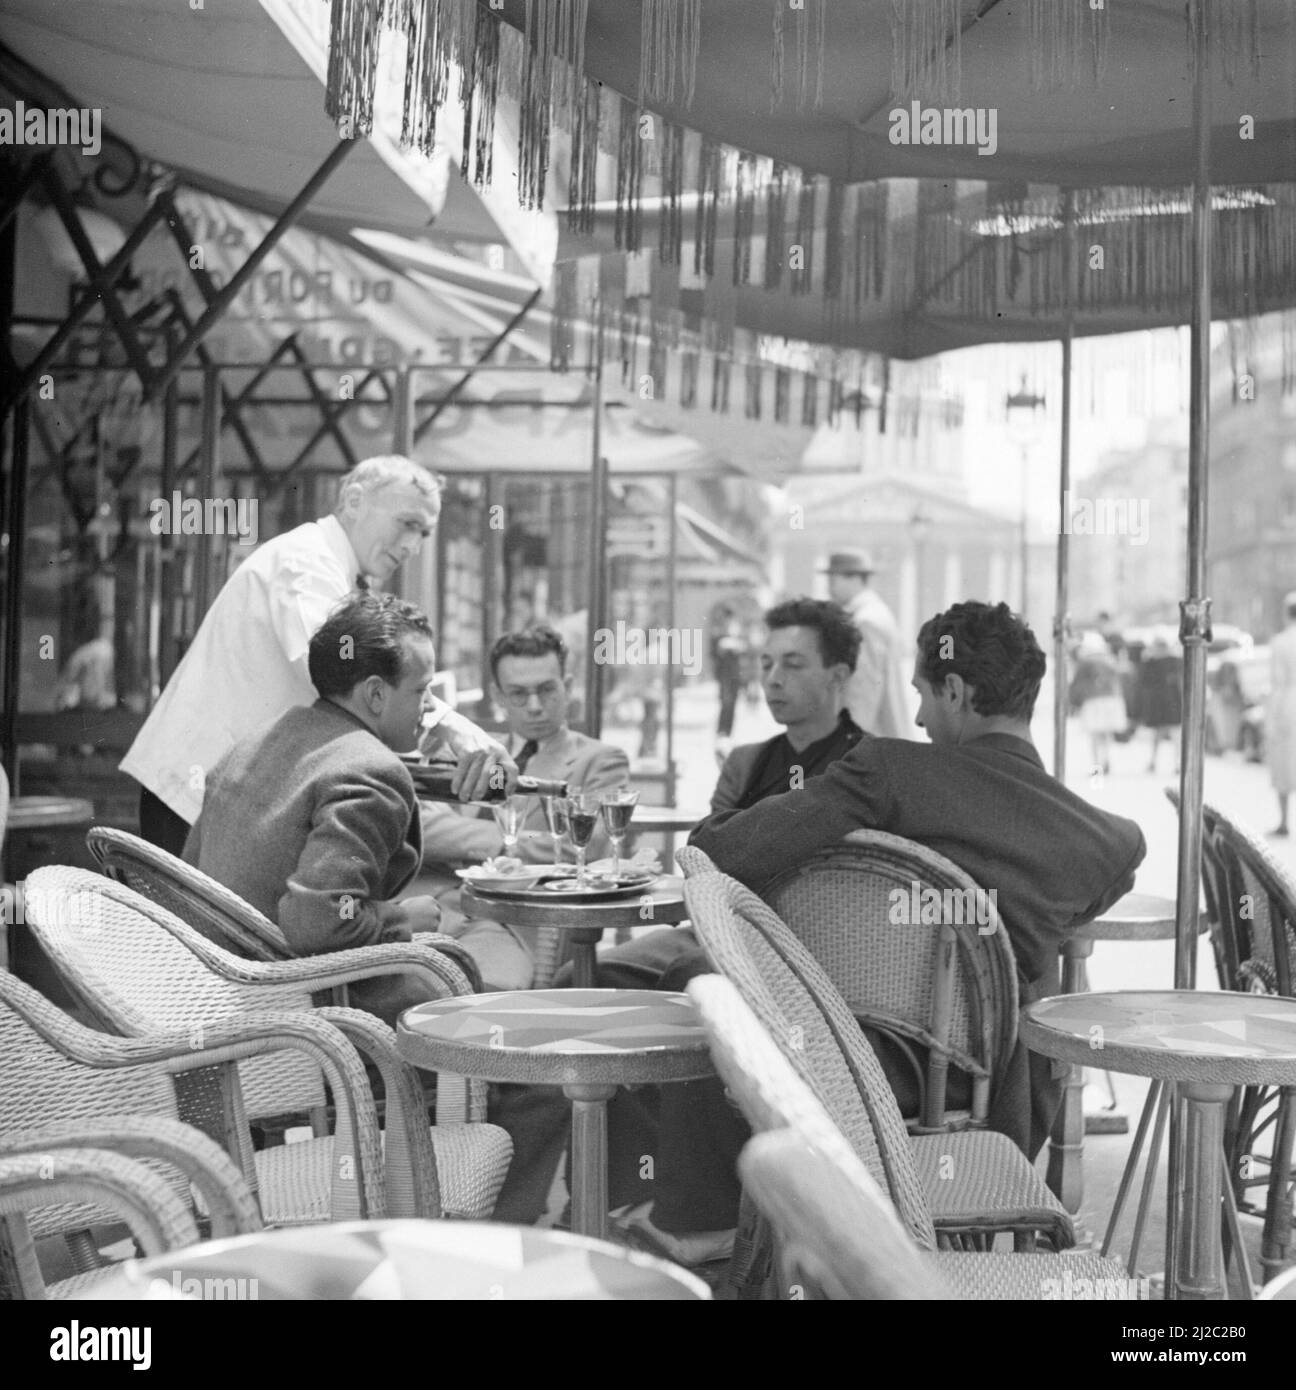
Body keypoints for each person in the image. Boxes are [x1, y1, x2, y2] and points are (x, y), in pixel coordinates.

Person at [488, 597, 866, 1241]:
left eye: (793, 664)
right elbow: (705, 855)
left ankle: (692, 1210)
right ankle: (617, 1192)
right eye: (766, 662)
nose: (771, 679)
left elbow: (824, 879)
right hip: (718, 927)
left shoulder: (868, 764)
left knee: (685, 984)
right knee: (596, 986)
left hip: (807, 949)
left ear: (839, 675)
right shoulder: (750, 761)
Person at [121, 456, 513, 858]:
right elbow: (347, 668)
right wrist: (451, 728)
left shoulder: (334, 571)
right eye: (407, 523)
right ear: (355, 501)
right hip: (194, 791)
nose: (413, 546)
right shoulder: (306, 562)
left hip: (225, 793)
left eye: (424, 534)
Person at [183, 593, 448, 1026]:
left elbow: (191, 877)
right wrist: (401, 920)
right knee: (463, 992)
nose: (431, 705)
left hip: (208, 993)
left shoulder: (256, 742)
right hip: (298, 1010)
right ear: (376, 695)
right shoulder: (371, 769)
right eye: (421, 689)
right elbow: (319, 920)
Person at [409, 625, 631, 987]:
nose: (534, 706)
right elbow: (417, 827)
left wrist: (462, 838)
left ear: (568, 686)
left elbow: (590, 846)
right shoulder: (465, 750)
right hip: (431, 908)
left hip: (512, 924)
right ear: (497, 694)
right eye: (518, 694)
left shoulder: (599, 760)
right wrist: (505, 842)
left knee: (479, 996)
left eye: (546, 690)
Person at [823, 549, 912, 738]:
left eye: (833, 581)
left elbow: (861, 693)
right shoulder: (873, 613)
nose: (829, 589)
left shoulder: (865, 622)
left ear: (855, 579)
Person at [1069, 630, 1126, 775]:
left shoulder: (1086, 662)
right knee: (1105, 734)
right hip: (1111, 700)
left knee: (1094, 736)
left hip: (1093, 701)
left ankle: (1096, 766)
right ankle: (1106, 760)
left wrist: (1073, 702)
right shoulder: (1110, 660)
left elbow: (1077, 683)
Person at [1266, 591, 1296, 836]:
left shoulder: (1281, 642)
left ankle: (1285, 820)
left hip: (1288, 704)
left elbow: (1277, 681)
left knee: (1285, 765)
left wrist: (1272, 719)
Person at [1137, 631, 1183, 776]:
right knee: (1166, 734)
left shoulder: (1158, 661)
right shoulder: (1171, 660)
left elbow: (1143, 681)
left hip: (1167, 702)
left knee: (1171, 734)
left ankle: (1171, 763)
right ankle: (1158, 762)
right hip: (1167, 702)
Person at [709, 602, 747, 742]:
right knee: (726, 702)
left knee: (733, 703)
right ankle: (722, 731)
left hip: (735, 673)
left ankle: (728, 731)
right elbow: (713, 653)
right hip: (724, 673)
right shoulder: (718, 634)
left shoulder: (737, 634)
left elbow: (745, 649)